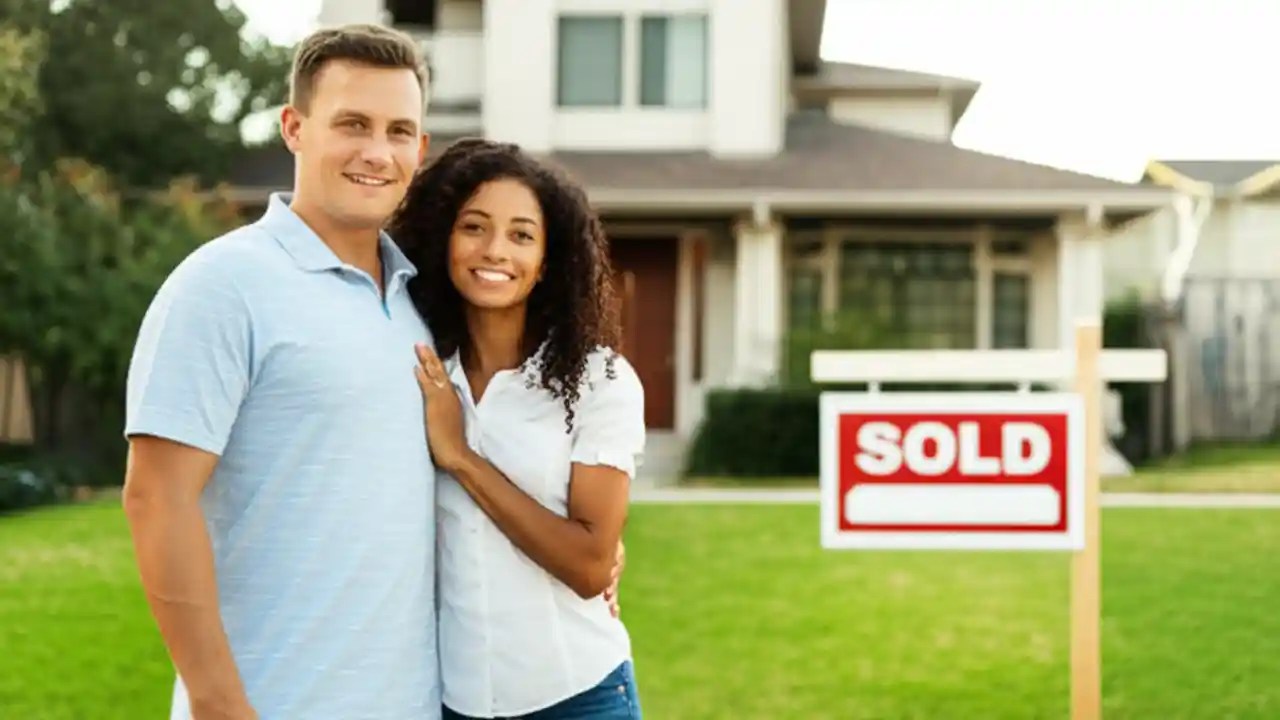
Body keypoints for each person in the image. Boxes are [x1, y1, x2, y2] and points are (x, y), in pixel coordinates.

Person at [122, 24, 622, 720]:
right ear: (294, 127)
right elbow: (156, 498)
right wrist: (216, 700)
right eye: (352, 124)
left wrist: (594, 549)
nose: (376, 152)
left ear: (420, 149)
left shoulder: (424, 305)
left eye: (398, 131)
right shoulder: (223, 284)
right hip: (273, 704)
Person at [387, 139, 645, 719]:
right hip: (451, 701)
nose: (495, 251)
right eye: (473, 227)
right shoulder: (416, 369)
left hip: (577, 697)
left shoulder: (598, 381)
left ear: (548, 260)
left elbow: (590, 567)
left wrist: (461, 458)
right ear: (443, 239)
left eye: (522, 235)